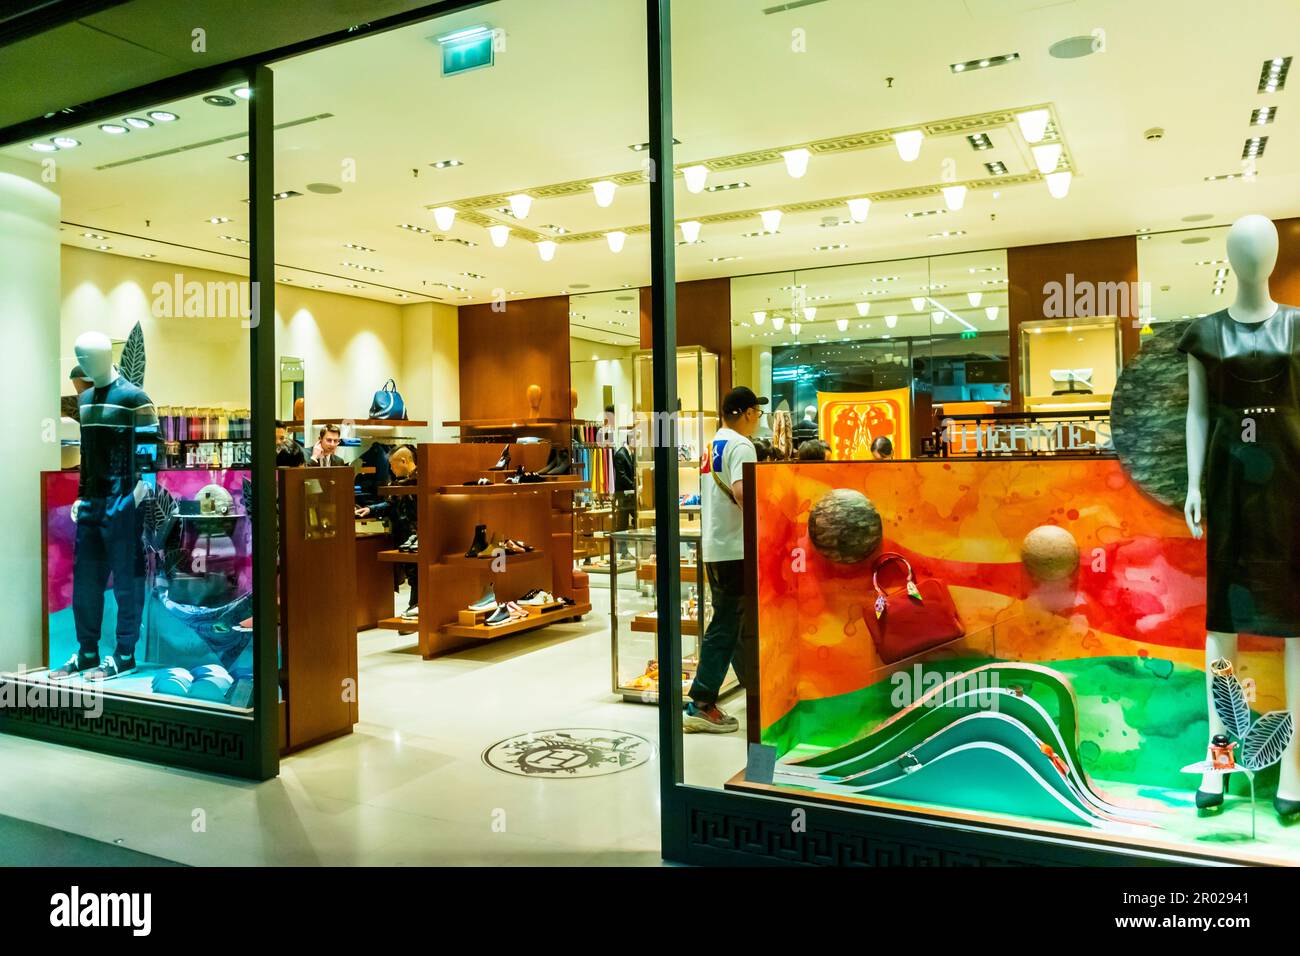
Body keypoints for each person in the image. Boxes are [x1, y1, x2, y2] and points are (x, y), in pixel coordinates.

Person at [688, 385, 767, 733]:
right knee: (725, 624)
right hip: (737, 548)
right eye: (757, 413)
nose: (757, 420)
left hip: (717, 545)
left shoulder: (712, 445)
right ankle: (702, 701)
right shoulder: (742, 445)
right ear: (747, 413)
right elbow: (741, 491)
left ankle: (756, 687)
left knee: (736, 622)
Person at [357, 446, 418, 616]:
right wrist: (371, 509)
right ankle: (415, 608)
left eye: (392, 464)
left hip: (418, 535)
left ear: (404, 461)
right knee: (412, 573)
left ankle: (416, 608)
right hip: (405, 535)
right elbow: (392, 504)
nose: (390, 468)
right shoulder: (400, 481)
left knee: (417, 574)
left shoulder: (420, 479)